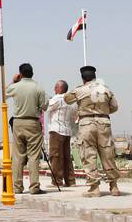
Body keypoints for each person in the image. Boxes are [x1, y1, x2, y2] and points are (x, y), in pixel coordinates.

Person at [64, 66, 120, 195]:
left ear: (83, 78)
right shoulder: (105, 90)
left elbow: (67, 99)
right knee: (107, 154)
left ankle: (94, 188)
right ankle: (114, 186)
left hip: (86, 124)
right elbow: (115, 107)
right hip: (104, 123)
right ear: (95, 77)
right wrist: (103, 111)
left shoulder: (80, 90)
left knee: (88, 155)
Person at [6, 63, 47, 195]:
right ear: (32, 73)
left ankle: (17, 187)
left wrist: (13, 81)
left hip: (18, 122)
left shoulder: (15, 87)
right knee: (34, 156)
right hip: (33, 122)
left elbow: (4, 94)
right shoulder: (38, 88)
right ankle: (34, 187)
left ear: (20, 74)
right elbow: (44, 106)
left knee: (18, 156)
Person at [46, 79, 77, 187]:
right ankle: (70, 180)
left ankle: (57, 181)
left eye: (56, 87)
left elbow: (46, 107)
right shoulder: (70, 101)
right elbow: (74, 115)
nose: (54, 88)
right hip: (67, 131)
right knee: (67, 157)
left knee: (55, 156)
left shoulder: (58, 98)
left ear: (60, 88)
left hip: (56, 130)